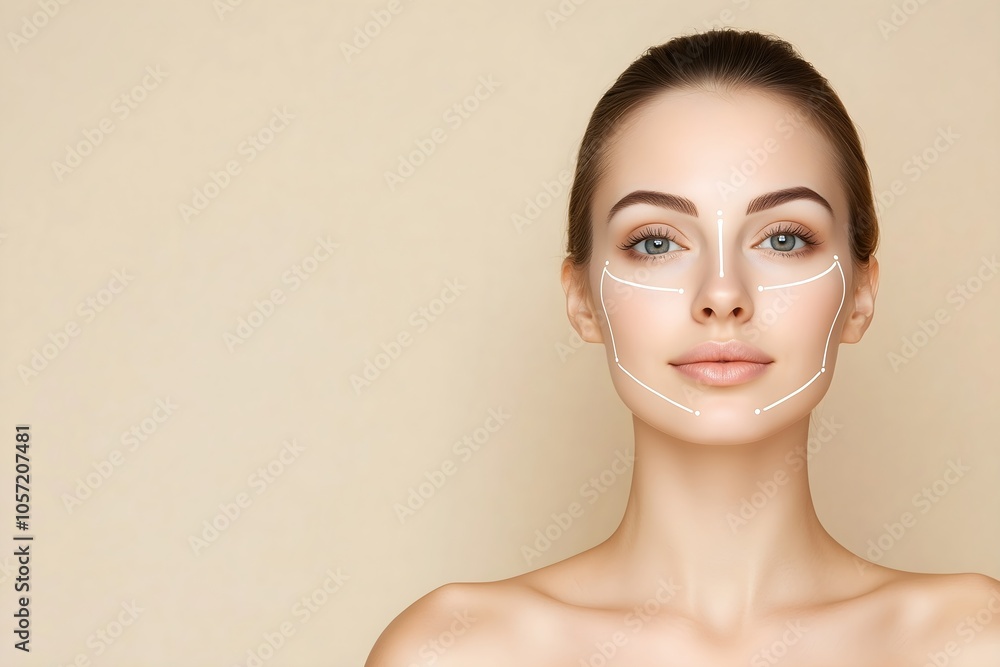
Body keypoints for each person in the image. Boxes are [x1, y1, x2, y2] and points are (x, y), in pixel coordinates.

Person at [366, 28, 1000, 665]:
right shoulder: (455, 651)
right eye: (655, 242)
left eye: (783, 239)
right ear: (581, 298)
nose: (722, 294)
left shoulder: (971, 642)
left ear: (861, 294)